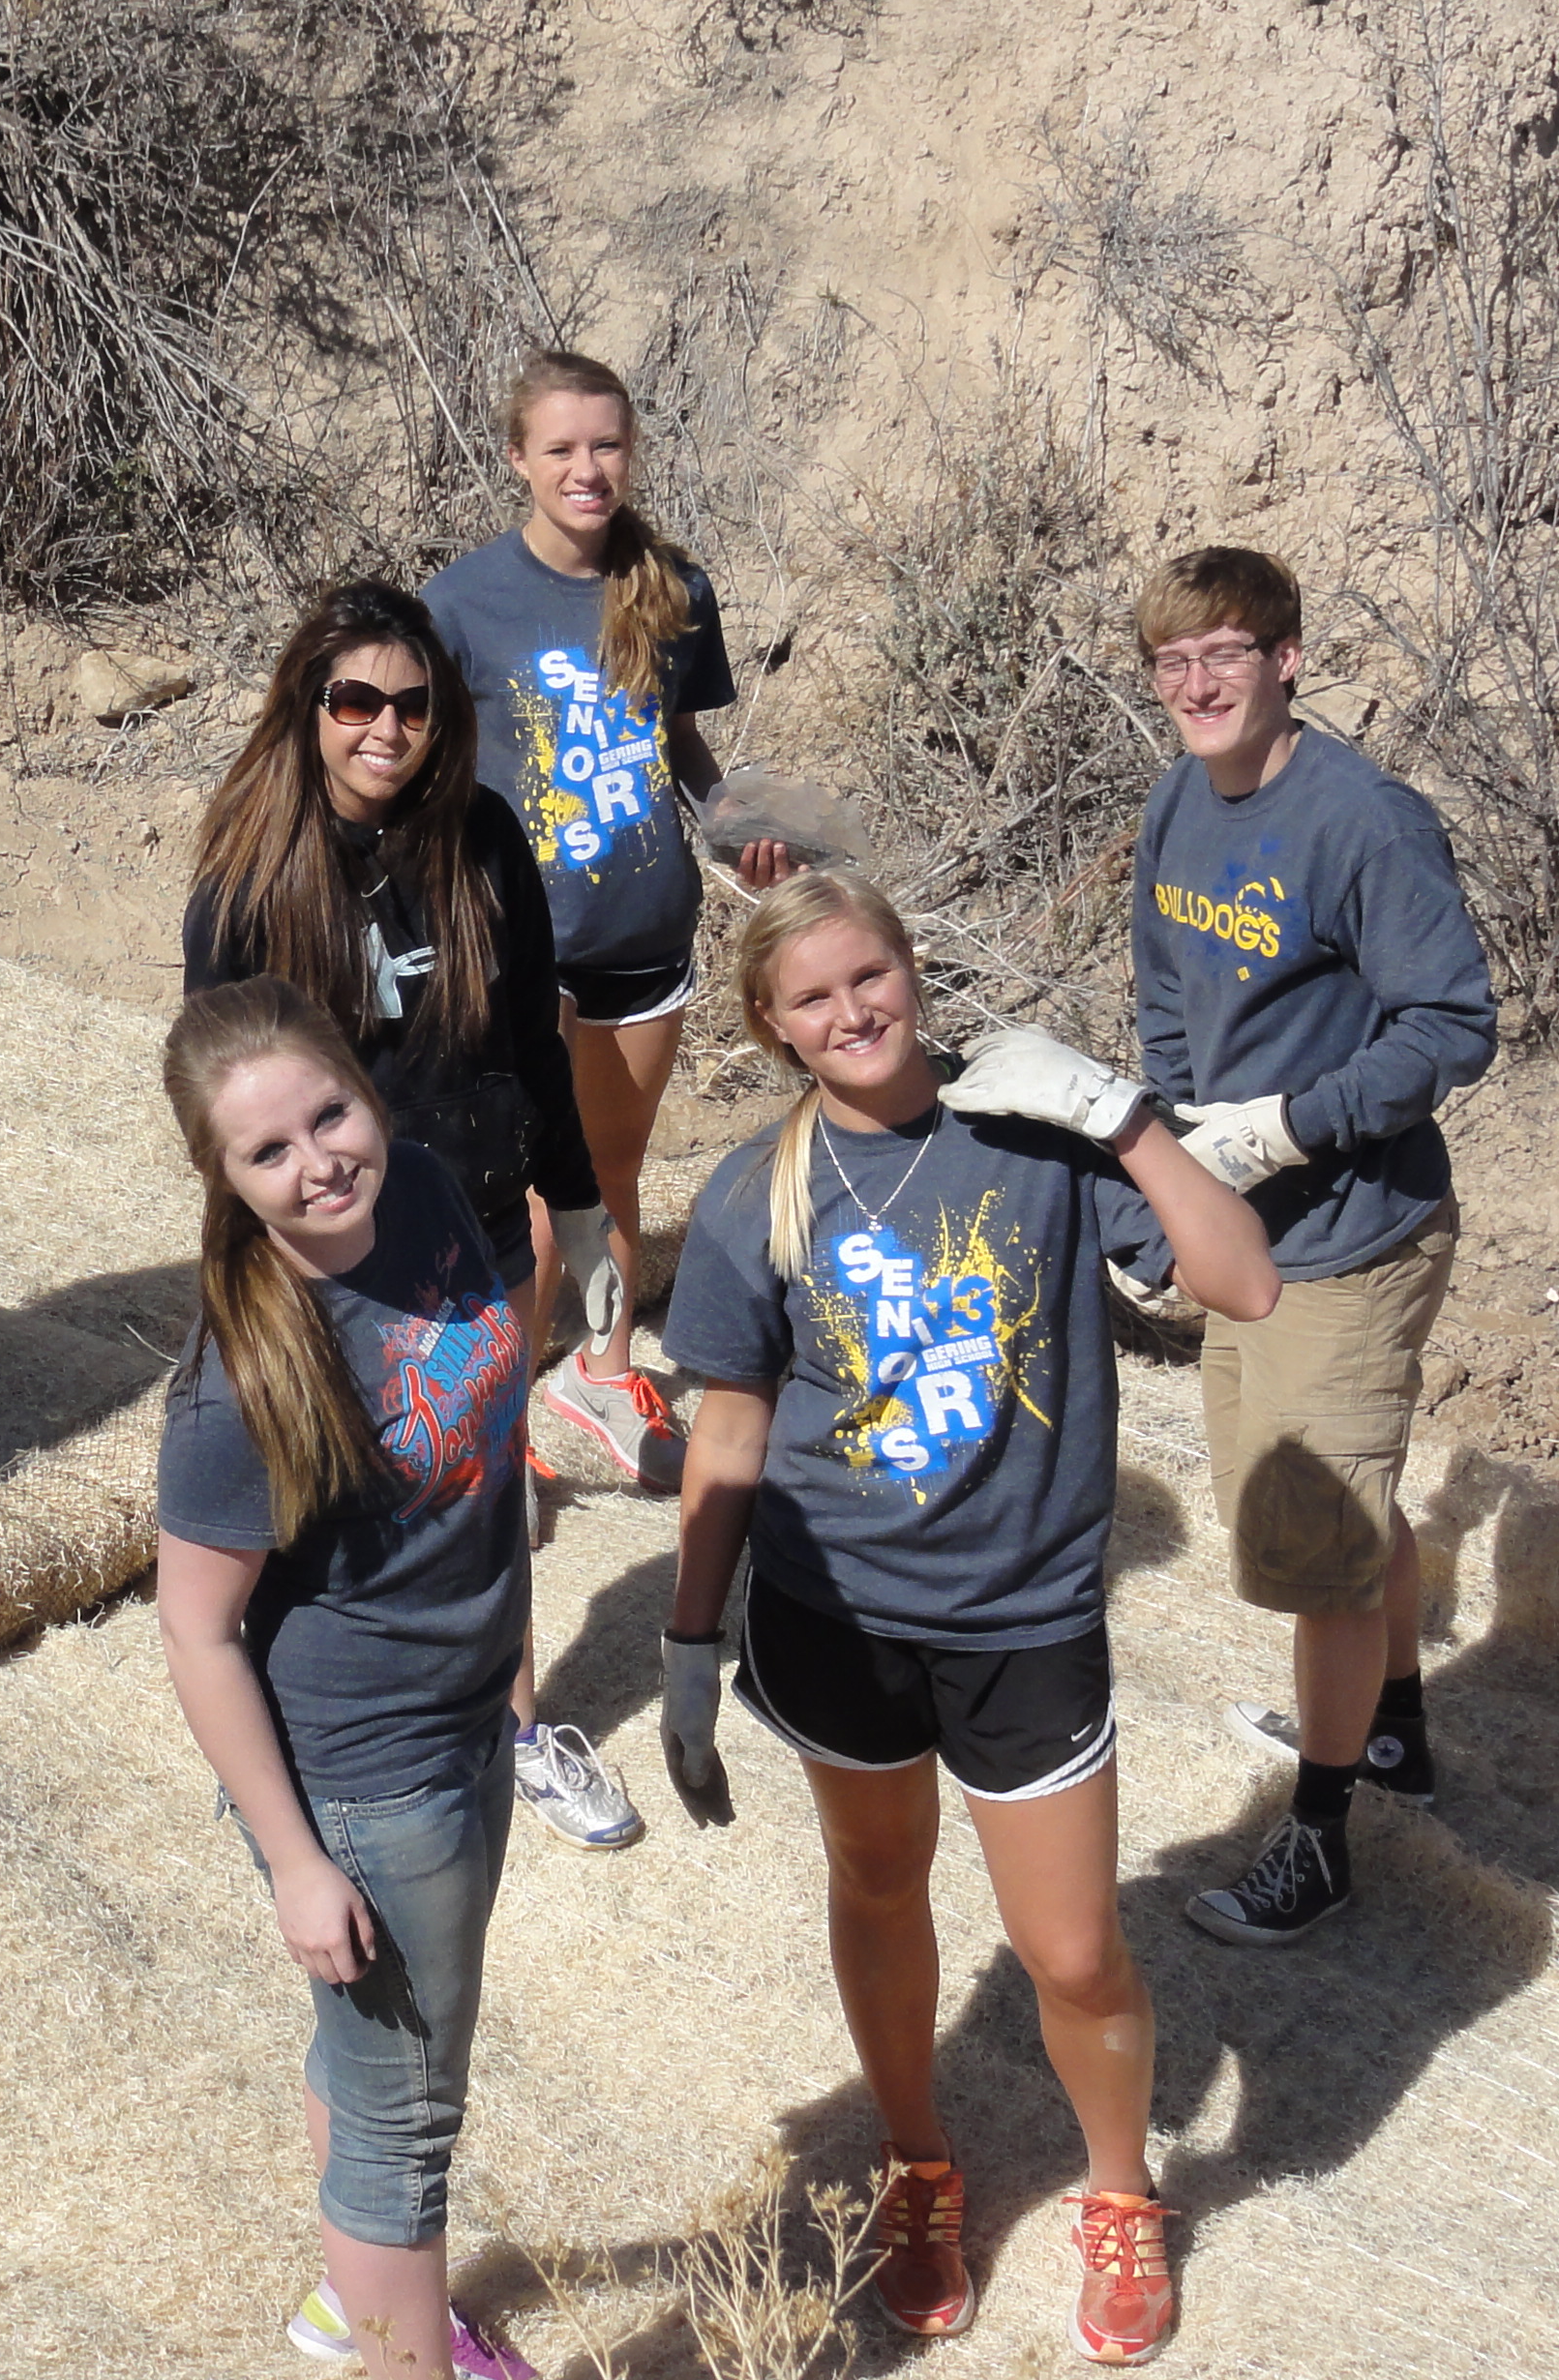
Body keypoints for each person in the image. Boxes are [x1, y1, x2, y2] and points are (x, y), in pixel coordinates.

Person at [654, 870, 1279, 2365]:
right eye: (812, 998)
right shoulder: (753, 1192)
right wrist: (686, 1641)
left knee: (1072, 1951)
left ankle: (1120, 2193)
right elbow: (732, 1429)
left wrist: (1121, 1115)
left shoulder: (1035, 1141)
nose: (850, 1013)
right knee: (879, 1885)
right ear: (771, 1024)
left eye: (868, 977)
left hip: (1024, 1619)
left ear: (912, 969)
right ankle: (919, 2162)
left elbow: (1243, 1282)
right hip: (835, 1614)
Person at [184, 581, 642, 1852]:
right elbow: (218, 1098)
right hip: (327, 1255)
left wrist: (580, 1203)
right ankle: (285, 1746)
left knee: (485, 1490)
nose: (385, 728)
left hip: (479, 1229)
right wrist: (252, 1271)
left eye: (413, 704)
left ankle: (514, 1730)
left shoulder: (481, 840)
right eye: (355, 700)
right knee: (322, 1497)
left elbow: (536, 1042)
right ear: (307, 707)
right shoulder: (249, 881)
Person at [153, 977, 540, 2380]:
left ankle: (350, 2308)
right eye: (269, 1151)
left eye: (330, 1115)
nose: (318, 1162)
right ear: (224, 1179)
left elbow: (488, 1412)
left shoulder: (422, 1190)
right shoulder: (240, 1387)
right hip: (371, 1784)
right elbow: (196, 1632)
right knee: (405, 2125)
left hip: (467, 1715)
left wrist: (511, 1649)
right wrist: (299, 1863)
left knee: (374, 2061)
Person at [1125, 547, 1496, 1945]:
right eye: (1172, 662)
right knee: (1325, 1507)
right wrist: (1173, 1173)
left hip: (1352, 1233)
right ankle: (1391, 1729)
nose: (1197, 683)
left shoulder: (1366, 824)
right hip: (1249, 1229)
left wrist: (1291, 1127)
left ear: (1287, 659)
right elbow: (1166, 1002)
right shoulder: (1178, 801)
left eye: (1225, 652)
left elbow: (1453, 1024)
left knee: (1319, 1540)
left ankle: (1322, 1838)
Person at [424, 350, 787, 1493]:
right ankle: (489, 1433)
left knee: (615, 1170)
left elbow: (680, 744)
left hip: (646, 930)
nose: (587, 469)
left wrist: (733, 827)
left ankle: (604, 1371)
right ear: (516, 458)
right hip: (522, 940)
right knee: (533, 1200)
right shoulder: (460, 603)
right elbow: (424, 768)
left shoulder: (675, 588)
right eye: (562, 449)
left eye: (608, 445)